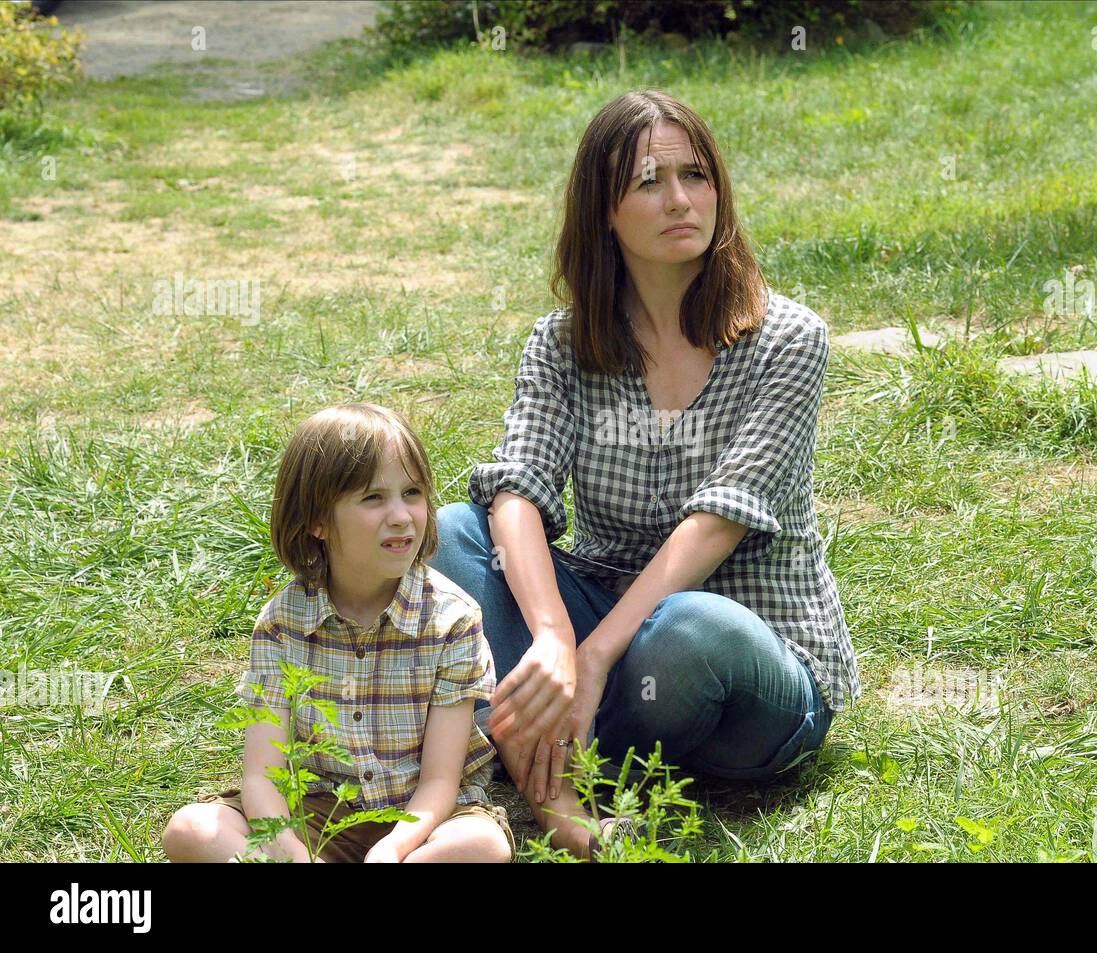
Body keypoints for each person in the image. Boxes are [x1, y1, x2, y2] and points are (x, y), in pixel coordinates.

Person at [431, 89, 862, 860]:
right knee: (455, 534)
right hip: (603, 620)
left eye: (696, 176)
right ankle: (557, 767)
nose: (680, 200)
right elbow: (516, 484)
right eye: (648, 182)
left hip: (743, 662)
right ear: (603, 208)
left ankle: (526, 737)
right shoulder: (563, 344)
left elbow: (719, 520)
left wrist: (593, 656)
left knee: (688, 628)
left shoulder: (788, 339)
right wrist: (557, 635)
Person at [163, 403, 515, 863]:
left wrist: (392, 849)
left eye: (411, 492)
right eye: (373, 498)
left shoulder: (452, 619)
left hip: (423, 821)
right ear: (317, 522)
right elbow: (261, 776)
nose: (401, 516)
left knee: (482, 846)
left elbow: (440, 782)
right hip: (318, 814)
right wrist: (292, 854)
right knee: (192, 830)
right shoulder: (282, 623)